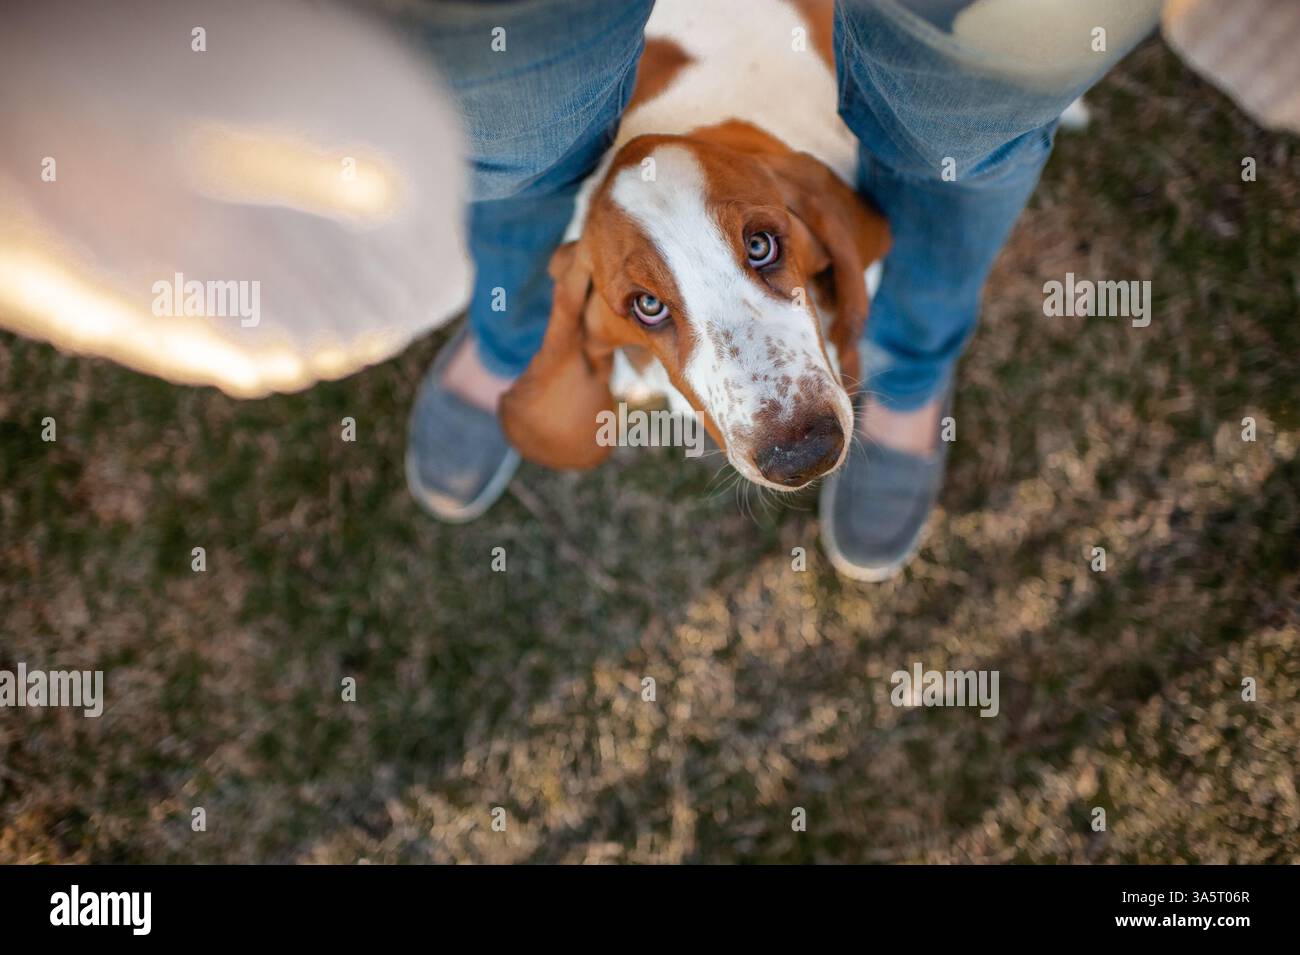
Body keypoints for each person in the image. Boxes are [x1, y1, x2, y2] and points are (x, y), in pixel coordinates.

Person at [398, 0, 1164, 579]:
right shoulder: (628, 269)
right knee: (507, 112)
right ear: (602, 319)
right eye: (651, 305)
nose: (785, 421)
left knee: (960, 114)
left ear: (810, 224)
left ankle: (909, 366)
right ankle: (516, 334)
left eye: (759, 246)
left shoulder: (806, 195)